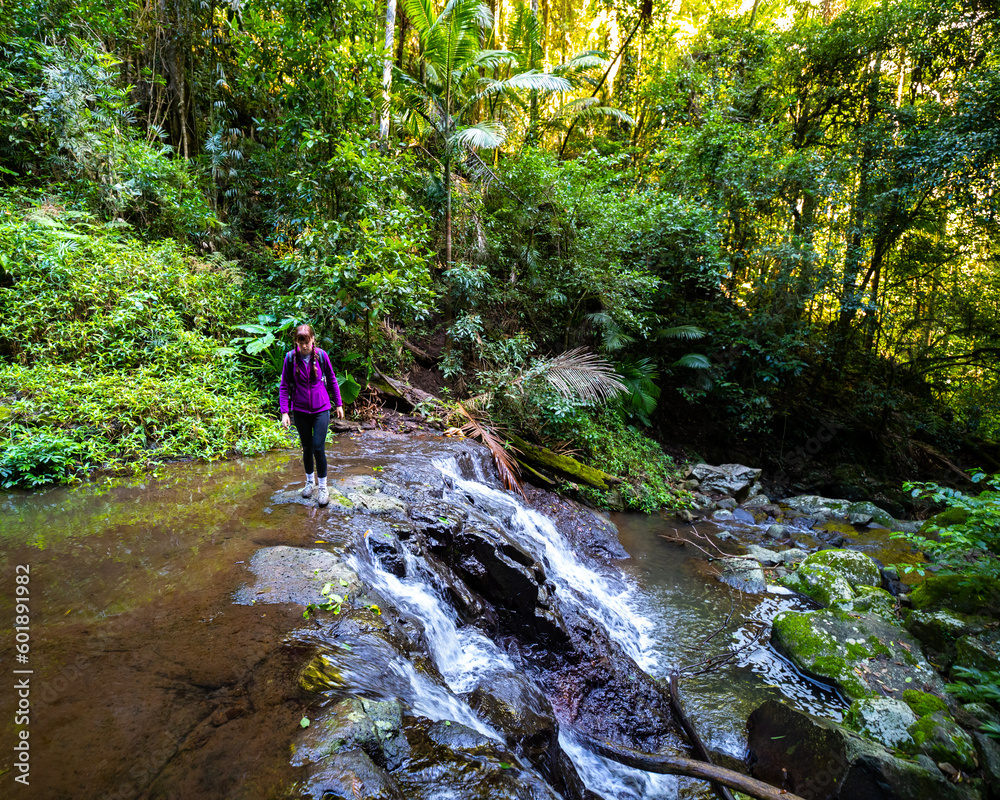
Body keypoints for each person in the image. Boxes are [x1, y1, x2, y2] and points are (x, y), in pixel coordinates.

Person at [279, 324, 345, 506]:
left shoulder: (322, 356)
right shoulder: (290, 358)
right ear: (296, 343)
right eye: (301, 343)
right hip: (300, 410)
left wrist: (338, 404)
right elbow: (284, 386)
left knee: (318, 447)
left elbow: (331, 379)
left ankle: (323, 487)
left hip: (321, 409)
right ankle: (310, 482)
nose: (305, 347)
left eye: (307, 342)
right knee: (307, 447)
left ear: (313, 340)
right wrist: (285, 412)